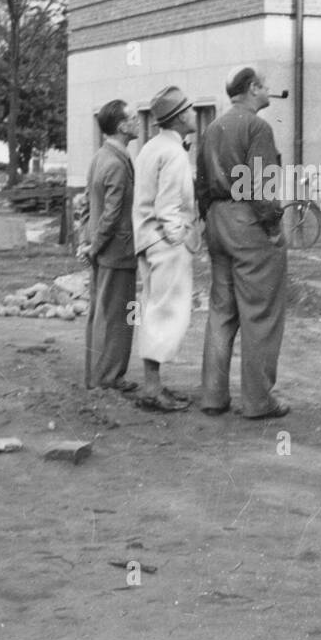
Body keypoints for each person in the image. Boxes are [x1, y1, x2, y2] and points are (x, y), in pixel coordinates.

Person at [195, 67, 289, 419]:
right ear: (252, 89)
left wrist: (210, 219)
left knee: (221, 313)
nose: (269, 91)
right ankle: (259, 401)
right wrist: (273, 226)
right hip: (248, 221)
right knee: (261, 314)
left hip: (217, 221)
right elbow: (262, 184)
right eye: (265, 86)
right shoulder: (257, 127)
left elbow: (201, 182)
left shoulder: (213, 127)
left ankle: (213, 397)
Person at [132, 86, 199, 412]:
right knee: (166, 314)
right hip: (165, 241)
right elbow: (168, 204)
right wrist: (179, 238)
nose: (194, 113)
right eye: (189, 109)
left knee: (154, 310)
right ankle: (152, 389)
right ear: (179, 116)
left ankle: (153, 384)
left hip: (148, 239)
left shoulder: (152, 147)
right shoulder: (173, 153)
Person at [83, 99, 140, 393]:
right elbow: (112, 213)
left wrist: (87, 241)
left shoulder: (100, 157)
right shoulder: (117, 162)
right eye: (133, 118)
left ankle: (97, 376)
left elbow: (86, 204)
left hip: (102, 249)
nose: (138, 122)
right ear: (121, 126)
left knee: (101, 312)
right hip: (117, 251)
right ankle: (109, 378)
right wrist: (96, 245)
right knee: (118, 315)